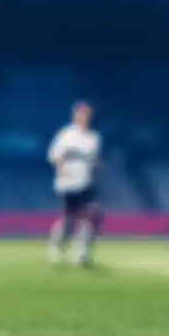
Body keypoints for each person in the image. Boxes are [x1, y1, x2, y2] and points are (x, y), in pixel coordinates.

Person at [47, 100, 102, 268]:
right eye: (82, 113)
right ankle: (56, 247)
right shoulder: (66, 135)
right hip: (68, 183)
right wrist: (60, 173)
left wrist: (98, 166)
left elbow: (94, 160)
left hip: (86, 183)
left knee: (91, 217)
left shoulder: (93, 138)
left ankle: (82, 253)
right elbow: (53, 156)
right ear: (75, 115)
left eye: (88, 113)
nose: (85, 116)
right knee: (69, 221)